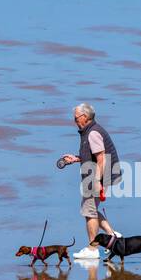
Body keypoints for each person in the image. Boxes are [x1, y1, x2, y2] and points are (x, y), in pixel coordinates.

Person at [59, 103, 121, 259]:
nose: (74, 122)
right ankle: (113, 236)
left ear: (84, 117)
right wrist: (76, 159)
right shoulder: (90, 131)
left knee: (89, 211)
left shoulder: (93, 133)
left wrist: (98, 181)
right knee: (88, 208)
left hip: (98, 176)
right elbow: (93, 156)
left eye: (75, 118)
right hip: (99, 175)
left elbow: (101, 159)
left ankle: (92, 249)